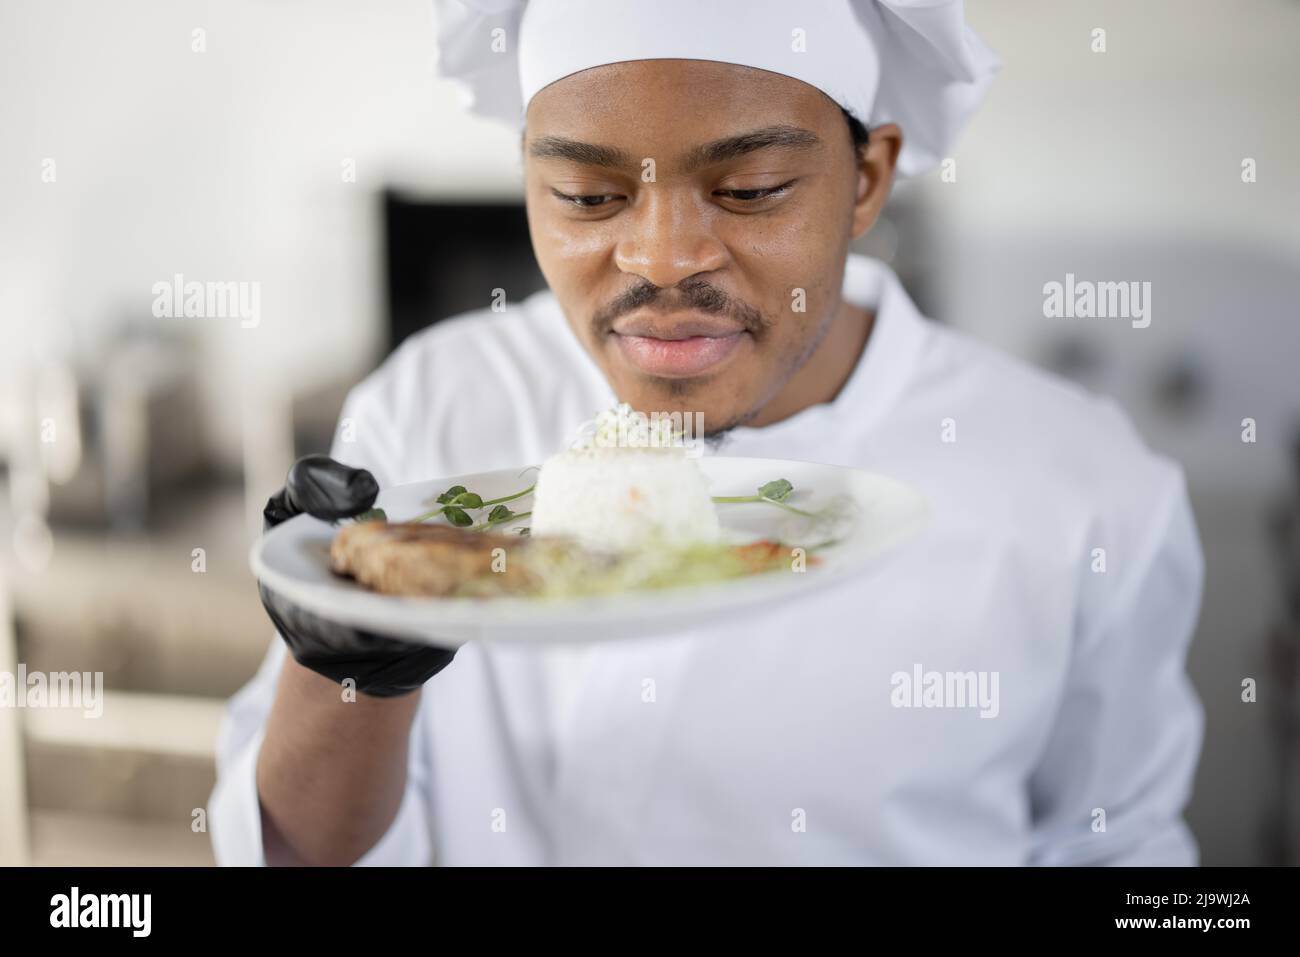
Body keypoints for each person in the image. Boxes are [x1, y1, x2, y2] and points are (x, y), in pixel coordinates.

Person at [209, 0, 1205, 866]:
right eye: (588, 198)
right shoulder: (434, 403)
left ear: (866, 180)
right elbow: (301, 857)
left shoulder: (1083, 491)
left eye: (750, 190)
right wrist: (342, 670)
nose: (662, 258)